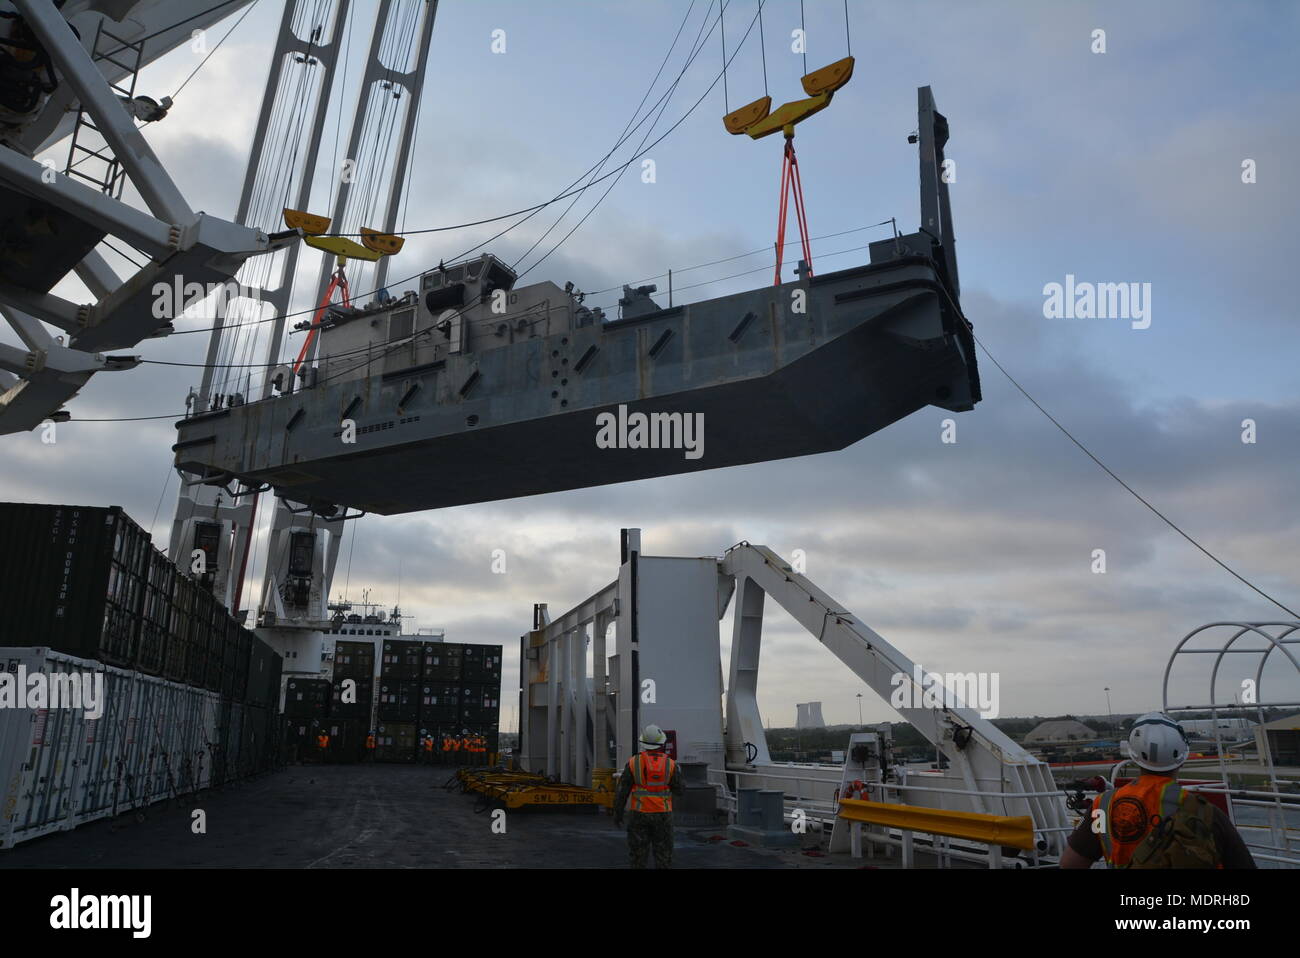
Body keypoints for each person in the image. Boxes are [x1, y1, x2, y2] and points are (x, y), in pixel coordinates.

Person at [1060, 712, 1255, 869]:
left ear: (1132, 754)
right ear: (1181, 757)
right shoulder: (1204, 813)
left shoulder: (1102, 808)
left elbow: (1071, 864)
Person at [613, 725, 685, 869]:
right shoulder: (670, 764)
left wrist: (618, 813)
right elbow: (680, 790)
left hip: (639, 815)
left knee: (638, 858)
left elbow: (622, 791)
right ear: (662, 743)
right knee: (663, 857)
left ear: (643, 743)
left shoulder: (634, 762)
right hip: (663, 815)